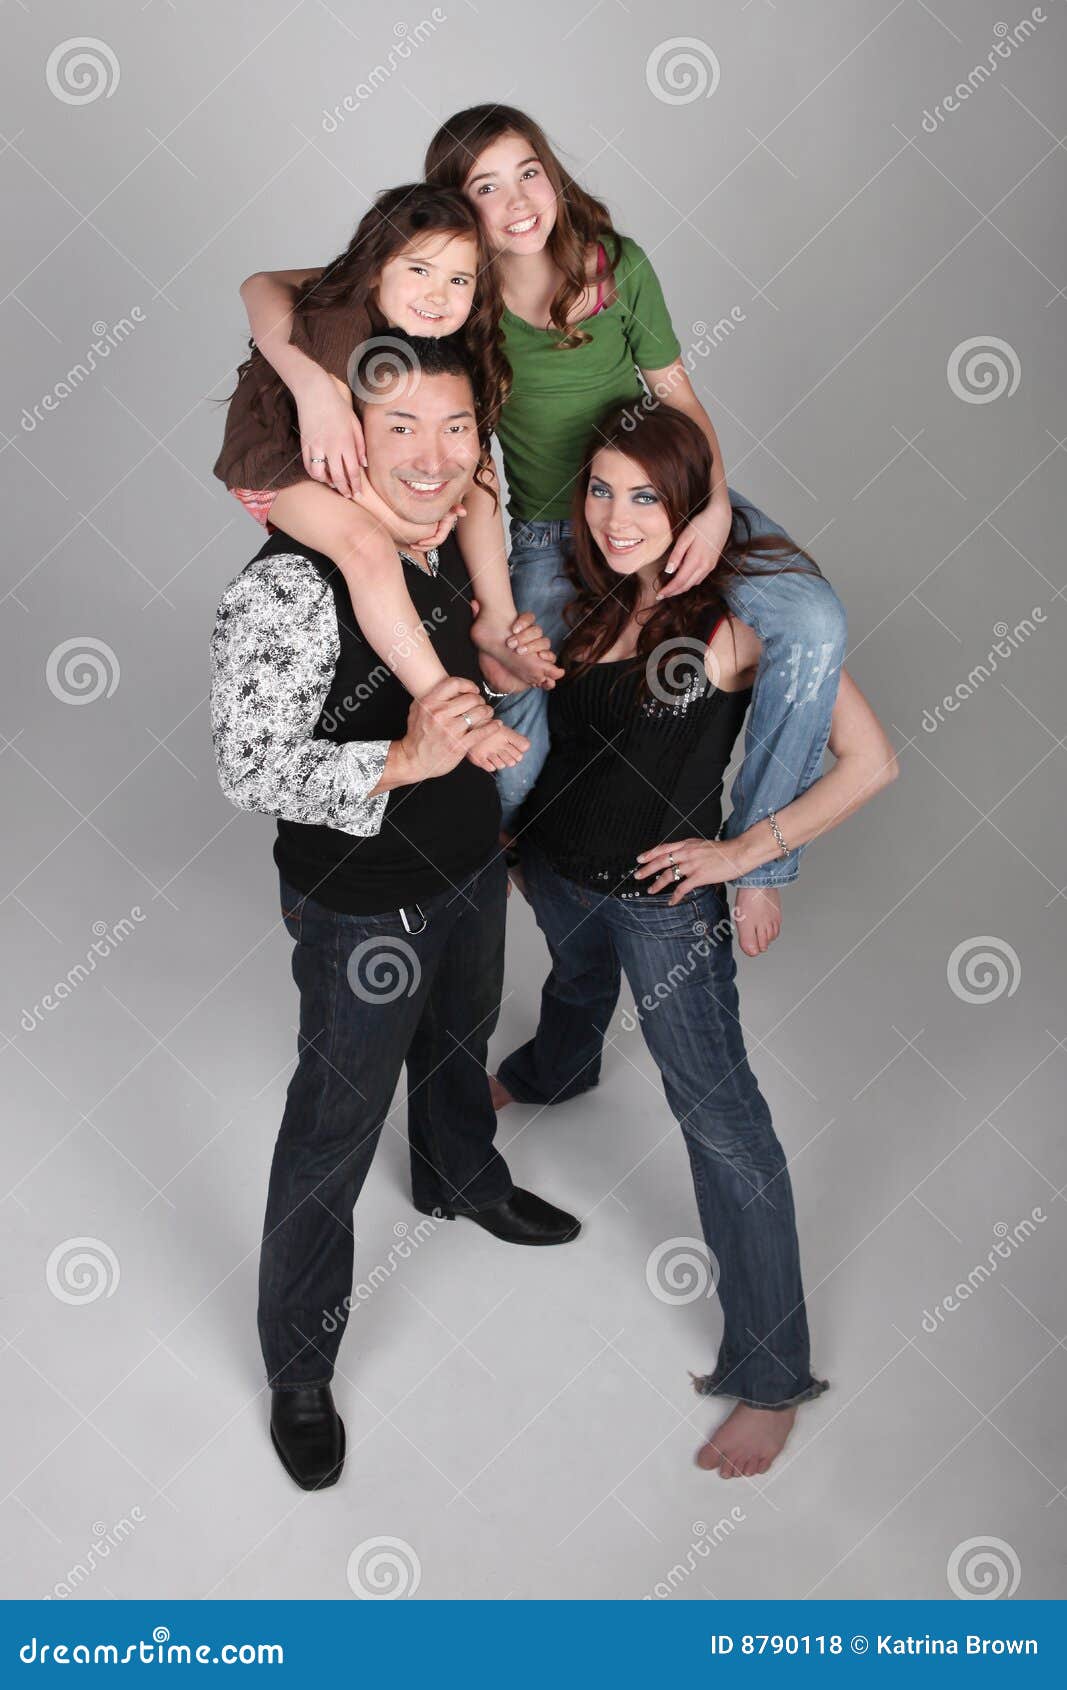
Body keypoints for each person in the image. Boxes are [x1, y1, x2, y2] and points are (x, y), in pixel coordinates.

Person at [240, 106, 848, 957]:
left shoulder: (615, 267)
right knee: (516, 760)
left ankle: (755, 860)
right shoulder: (453, 287)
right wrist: (310, 387)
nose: (518, 200)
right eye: (485, 187)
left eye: (528, 171)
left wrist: (710, 504)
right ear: (458, 211)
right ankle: (486, 888)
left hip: (668, 494)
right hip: (549, 531)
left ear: (552, 171)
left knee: (814, 621)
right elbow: (270, 288)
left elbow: (676, 394)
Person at [491, 401, 899, 1479]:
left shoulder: (743, 623)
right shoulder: (572, 593)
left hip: (661, 904)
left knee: (721, 1124)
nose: (618, 519)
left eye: (646, 497)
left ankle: (769, 1373)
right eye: (599, 490)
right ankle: (551, 1071)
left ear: (696, 509)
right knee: (572, 977)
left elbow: (868, 760)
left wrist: (741, 856)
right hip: (549, 868)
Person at [210, 334, 579, 1493]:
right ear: (347, 444)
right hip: (362, 909)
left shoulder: (441, 547)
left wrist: (505, 663)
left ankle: (459, 1175)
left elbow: (465, 685)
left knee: (460, 1039)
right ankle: (300, 1366)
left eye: (455, 427)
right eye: (401, 427)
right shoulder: (285, 582)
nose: (432, 456)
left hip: (470, 869)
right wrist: (403, 759)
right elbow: (247, 767)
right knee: (331, 1131)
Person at [213, 182, 561, 776]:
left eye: (459, 280)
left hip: (343, 463)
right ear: (376, 270)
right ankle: (448, 705)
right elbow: (338, 459)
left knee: (479, 472)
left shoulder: (433, 336)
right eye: (420, 270)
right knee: (368, 545)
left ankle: (496, 620)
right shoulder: (343, 324)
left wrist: (438, 501)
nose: (438, 294)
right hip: (280, 465)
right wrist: (400, 521)